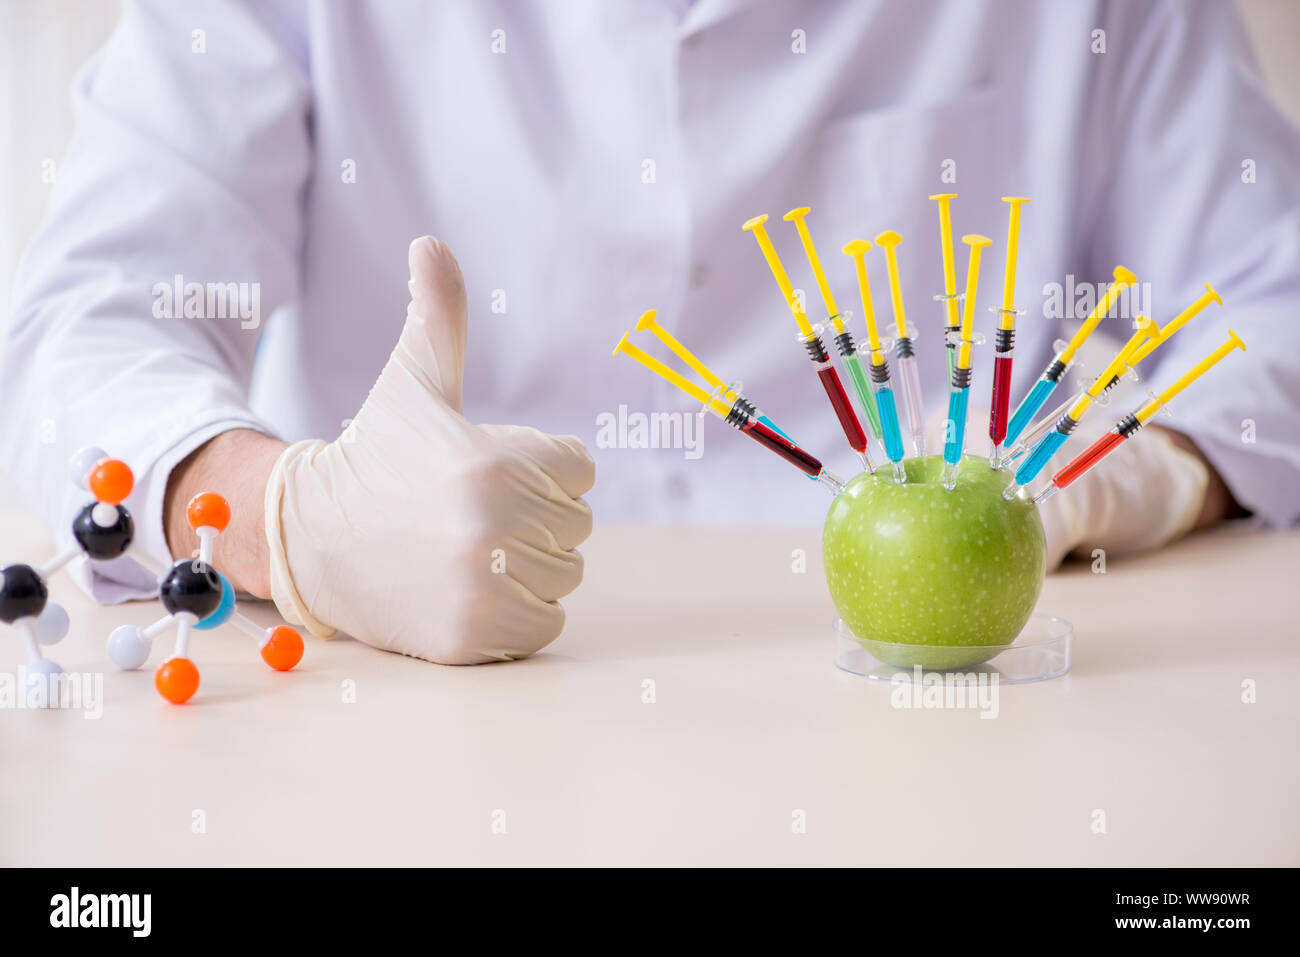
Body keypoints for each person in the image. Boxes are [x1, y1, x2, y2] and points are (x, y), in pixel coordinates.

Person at [3, 0, 1297, 664]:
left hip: (964, 716)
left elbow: (1277, 292)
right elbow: (91, 311)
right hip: (410, 702)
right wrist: (287, 513)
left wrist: (1165, 461)